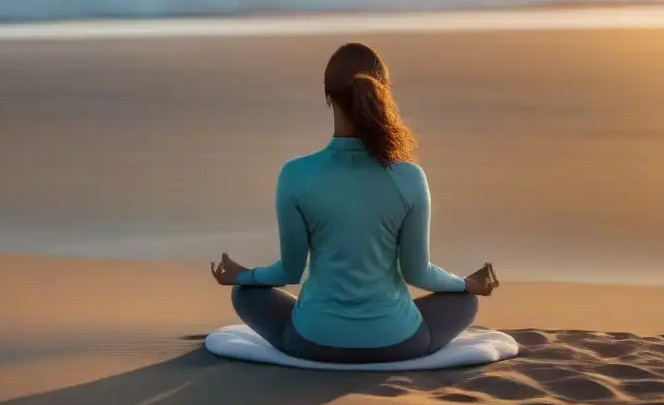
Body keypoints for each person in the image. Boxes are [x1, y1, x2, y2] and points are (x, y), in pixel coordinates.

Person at [210, 41, 499, 364]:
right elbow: (418, 273)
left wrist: (242, 276)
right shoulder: (409, 177)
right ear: (383, 95)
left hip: (311, 341)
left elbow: (289, 271)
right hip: (398, 341)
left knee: (245, 294)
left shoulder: (295, 175)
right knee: (466, 302)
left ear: (327, 96)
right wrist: (466, 283)